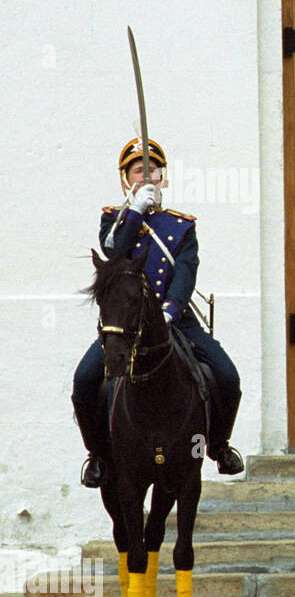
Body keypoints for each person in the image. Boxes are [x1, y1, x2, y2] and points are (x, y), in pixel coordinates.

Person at [73, 138, 244, 486]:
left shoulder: (182, 226)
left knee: (228, 376)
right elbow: (115, 256)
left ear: (164, 178)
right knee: (84, 380)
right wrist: (134, 212)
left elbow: (185, 271)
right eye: (140, 170)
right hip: (125, 323)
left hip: (174, 319)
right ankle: (97, 455)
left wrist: (170, 310)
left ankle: (219, 446)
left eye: (154, 170)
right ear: (126, 180)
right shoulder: (113, 220)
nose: (148, 175)